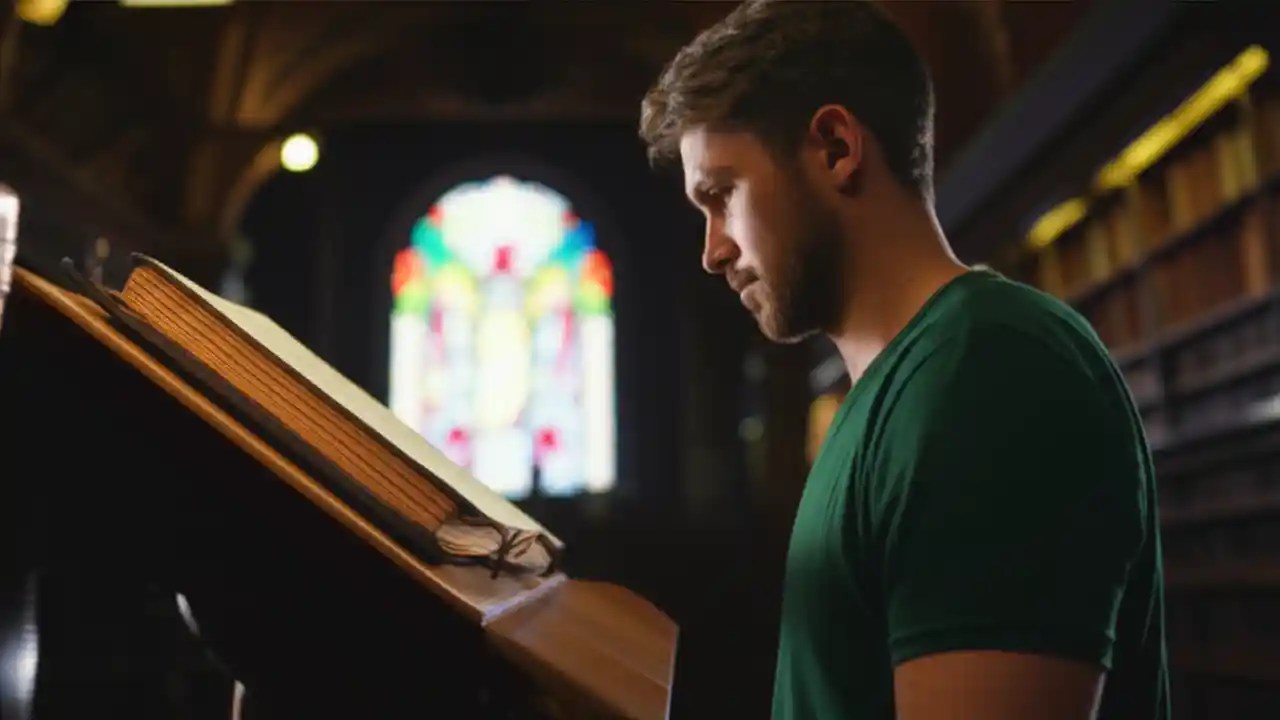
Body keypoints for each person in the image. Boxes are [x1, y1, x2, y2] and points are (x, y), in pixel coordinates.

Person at [639, 1, 1169, 718]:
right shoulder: (890, 393)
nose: (712, 251)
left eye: (722, 195)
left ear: (835, 148)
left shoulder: (989, 374)